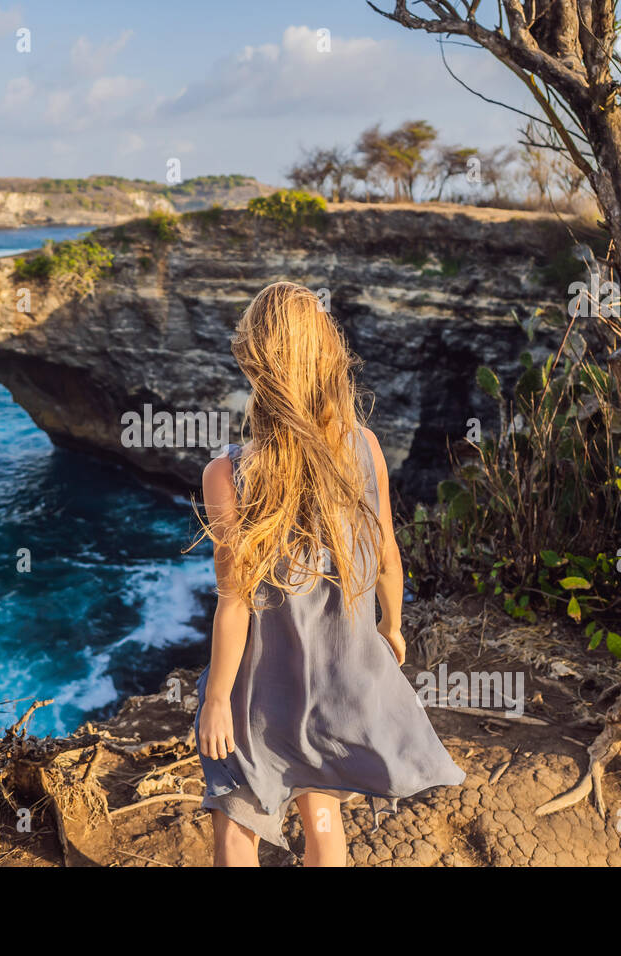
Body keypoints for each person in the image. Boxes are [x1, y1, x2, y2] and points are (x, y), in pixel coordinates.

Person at [192, 280, 466, 867]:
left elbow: (234, 602)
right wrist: (392, 627)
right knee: (323, 820)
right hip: (336, 686)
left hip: (258, 693)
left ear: (252, 362)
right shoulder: (363, 447)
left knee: (237, 828)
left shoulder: (228, 474)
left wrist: (217, 697)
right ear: (327, 357)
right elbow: (388, 555)